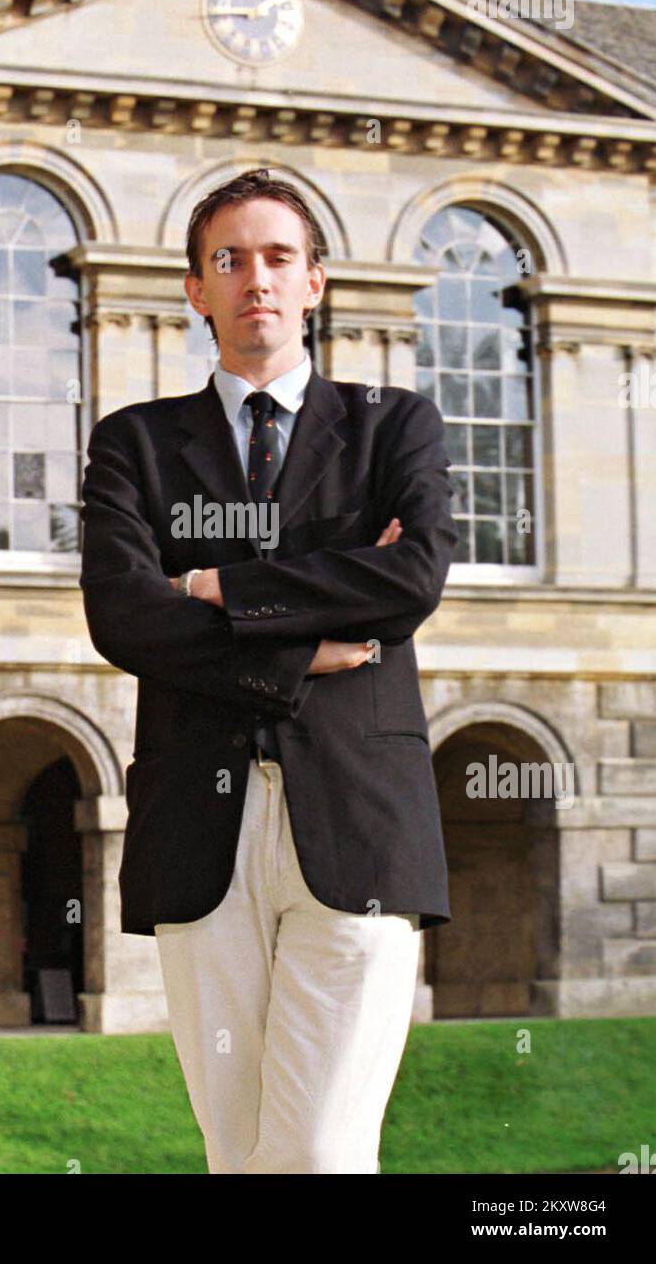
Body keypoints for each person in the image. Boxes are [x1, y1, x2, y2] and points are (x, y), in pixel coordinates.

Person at [80, 167, 459, 1173]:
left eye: (279, 257)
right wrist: (300, 645)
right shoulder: (137, 445)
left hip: (362, 824)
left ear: (315, 282)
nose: (256, 277)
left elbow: (410, 578)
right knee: (239, 1150)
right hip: (200, 831)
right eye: (228, 259)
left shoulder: (392, 426)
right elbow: (123, 615)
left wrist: (219, 589)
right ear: (196, 290)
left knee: (326, 1150)